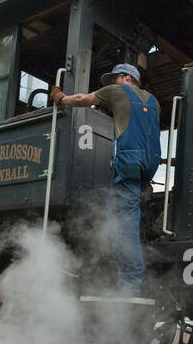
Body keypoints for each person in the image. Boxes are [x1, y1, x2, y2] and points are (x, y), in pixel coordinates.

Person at [50, 63, 160, 295]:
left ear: (126, 78)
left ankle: (129, 283)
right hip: (150, 164)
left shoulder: (116, 91)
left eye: (113, 78)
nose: (111, 83)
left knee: (123, 221)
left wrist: (61, 99)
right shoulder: (153, 100)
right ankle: (125, 271)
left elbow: (82, 99)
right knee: (125, 214)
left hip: (130, 159)